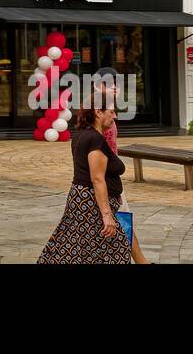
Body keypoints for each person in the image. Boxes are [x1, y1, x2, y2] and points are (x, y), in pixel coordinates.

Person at [37, 91, 133, 264]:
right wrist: (106, 215)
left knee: (74, 248)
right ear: (98, 112)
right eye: (111, 111)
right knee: (117, 250)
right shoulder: (95, 139)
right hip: (90, 205)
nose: (115, 116)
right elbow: (97, 179)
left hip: (81, 200)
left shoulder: (82, 134)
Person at [90, 68, 149, 264]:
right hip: (106, 180)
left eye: (117, 83)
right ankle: (141, 261)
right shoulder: (99, 117)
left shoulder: (107, 114)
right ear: (99, 86)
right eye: (110, 83)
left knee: (118, 220)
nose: (116, 87)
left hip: (108, 178)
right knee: (123, 219)